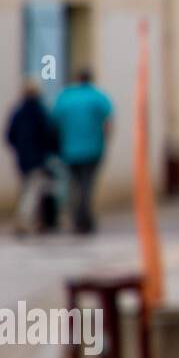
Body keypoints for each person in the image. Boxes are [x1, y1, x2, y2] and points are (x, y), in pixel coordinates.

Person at [52, 69, 113, 235]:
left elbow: (55, 121)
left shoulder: (65, 97)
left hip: (69, 150)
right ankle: (84, 220)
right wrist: (105, 142)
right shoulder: (97, 97)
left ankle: (76, 218)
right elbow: (108, 122)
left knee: (74, 185)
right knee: (87, 186)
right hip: (93, 149)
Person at [5, 80, 58, 234]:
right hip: (37, 157)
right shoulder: (40, 112)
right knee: (33, 191)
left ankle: (33, 220)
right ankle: (24, 219)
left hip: (22, 158)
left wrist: (19, 149)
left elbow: (9, 135)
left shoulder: (17, 112)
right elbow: (48, 135)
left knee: (28, 188)